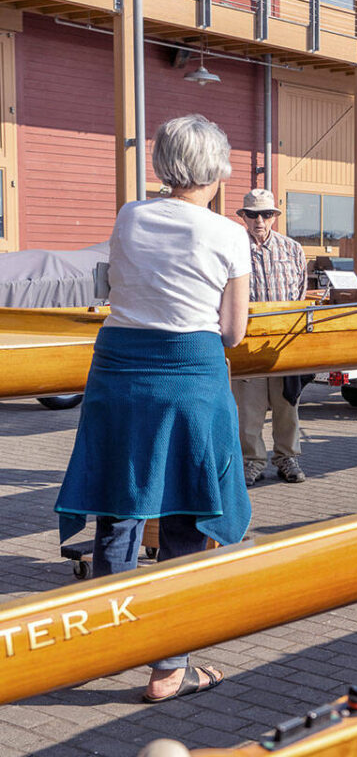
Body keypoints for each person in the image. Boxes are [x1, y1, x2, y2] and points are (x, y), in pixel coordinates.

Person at [54, 114, 251, 702]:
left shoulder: (130, 215)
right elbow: (234, 331)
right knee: (188, 512)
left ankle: (112, 641)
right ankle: (169, 667)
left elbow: (117, 285)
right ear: (214, 169)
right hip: (189, 372)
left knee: (120, 505)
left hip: (119, 370)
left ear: (165, 164)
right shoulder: (228, 234)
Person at [231, 189, 308, 486]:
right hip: (246, 342)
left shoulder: (293, 249)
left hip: (283, 344)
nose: (259, 220)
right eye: (252, 214)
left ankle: (287, 457)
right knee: (248, 409)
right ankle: (252, 461)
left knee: (287, 405)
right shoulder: (233, 249)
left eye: (265, 214)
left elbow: (299, 295)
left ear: (275, 217)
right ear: (243, 218)